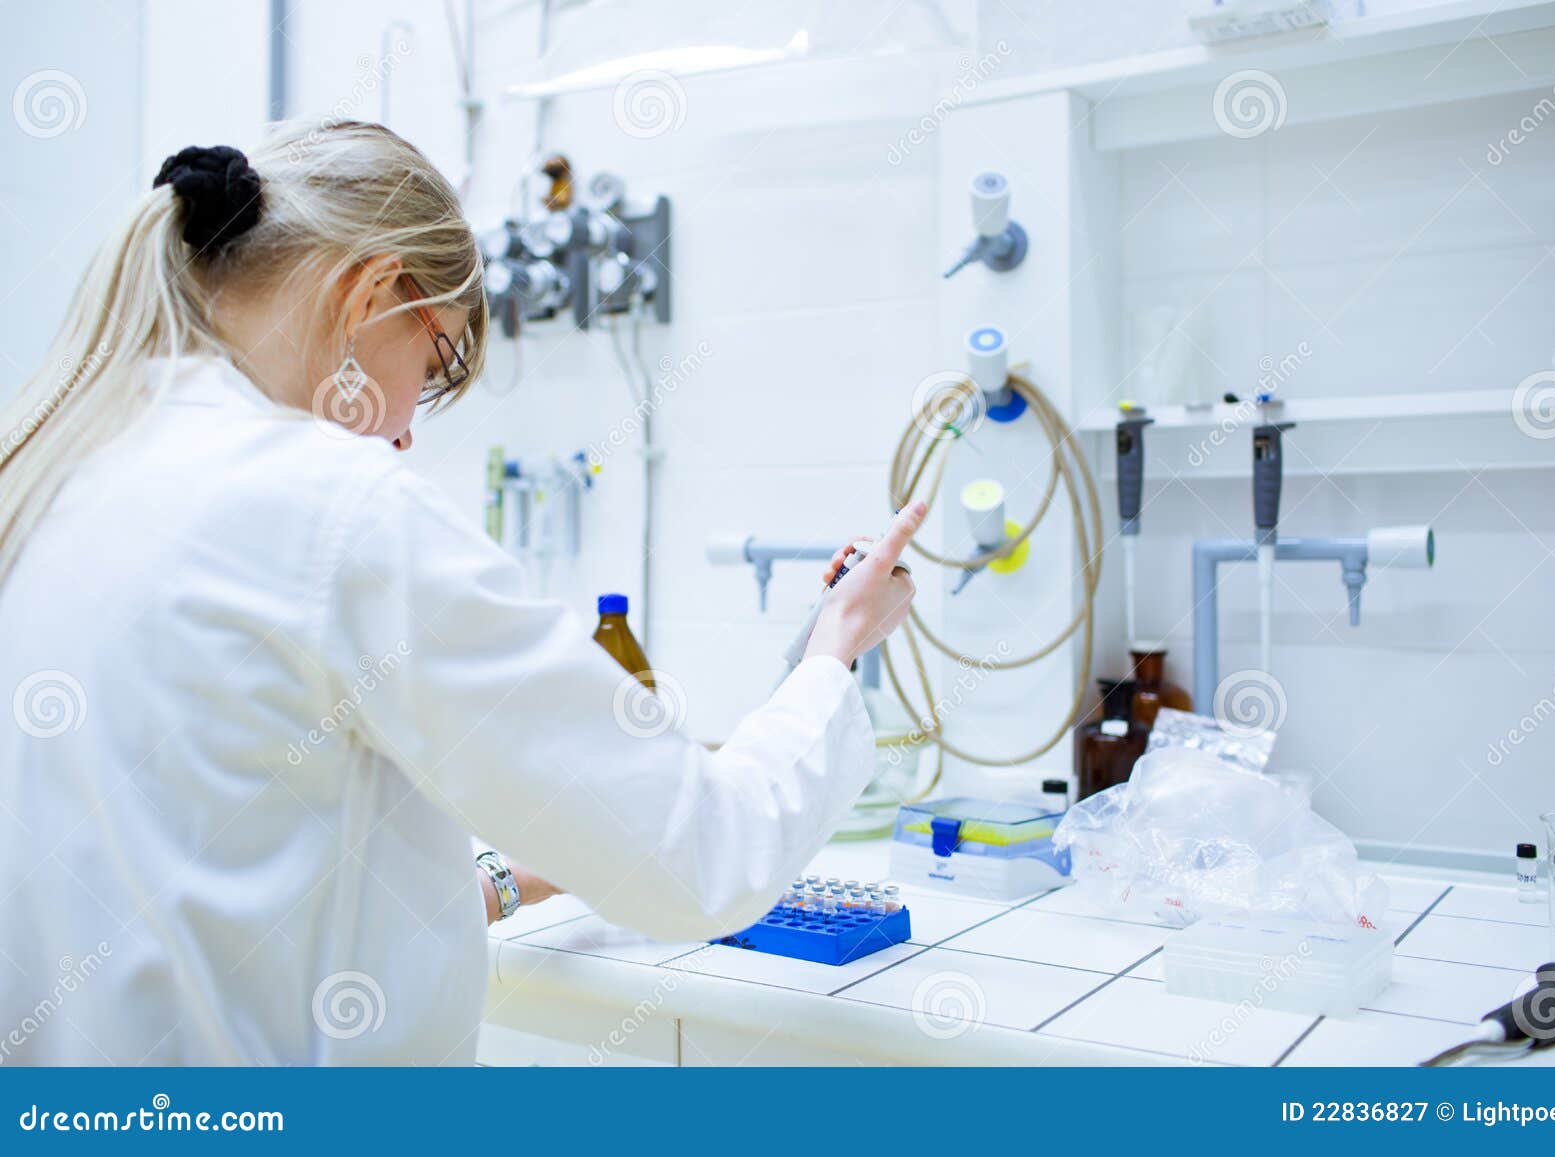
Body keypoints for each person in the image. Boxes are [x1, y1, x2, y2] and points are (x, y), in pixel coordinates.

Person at [0, 122, 922, 1065]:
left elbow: (197, 874)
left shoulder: (56, 474)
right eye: (434, 368)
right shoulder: (330, 507)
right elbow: (702, 859)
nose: (405, 433)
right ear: (372, 293)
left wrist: (504, 878)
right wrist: (834, 647)